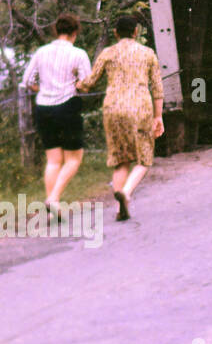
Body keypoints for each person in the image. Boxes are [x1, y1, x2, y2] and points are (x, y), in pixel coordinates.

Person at [77, 13, 164, 222]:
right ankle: (126, 192)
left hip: (113, 108)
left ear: (115, 33)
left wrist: (77, 84)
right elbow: (157, 87)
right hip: (140, 107)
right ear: (136, 32)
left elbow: (89, 83)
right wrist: (158, 116)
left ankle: (119, 207)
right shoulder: (147, 53)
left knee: (120, 160)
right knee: (143, 158)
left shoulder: (108, 53)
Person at [22, 13, 91, 219]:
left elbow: (27, 81)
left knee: (53, 160)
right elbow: (86, 83)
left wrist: (43, 89)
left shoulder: (41, 52)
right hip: (67, 105)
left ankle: (53, 208)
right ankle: (53, 198)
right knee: (74, 158)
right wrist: (77, 85)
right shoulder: (78, 54)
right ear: (75, 32)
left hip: (43, 107)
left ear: (56, 30)